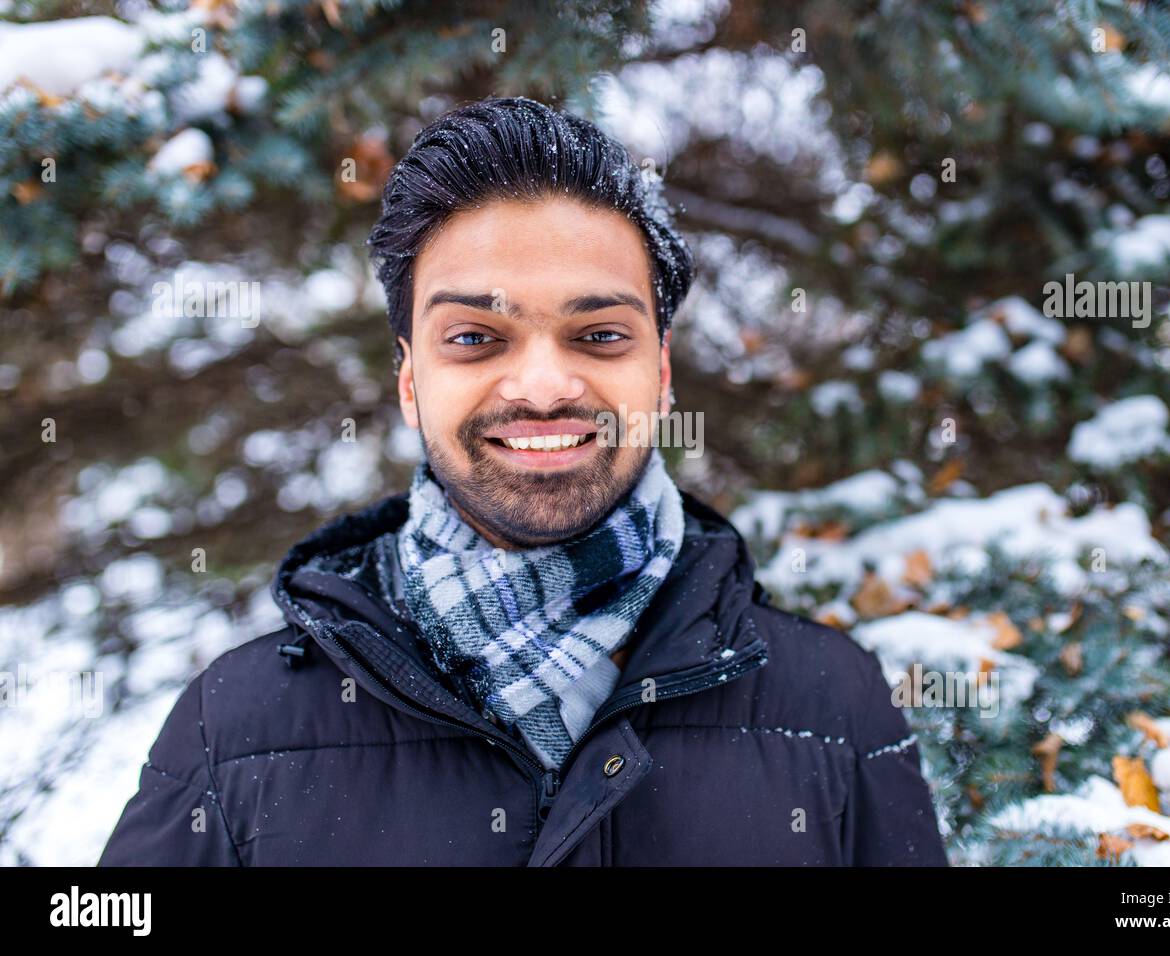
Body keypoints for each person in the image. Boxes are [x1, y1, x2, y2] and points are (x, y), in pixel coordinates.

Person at [98, 96, 948, 866]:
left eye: (599, 336)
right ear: (407, 380)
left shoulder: (835, 704)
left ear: (661, 371)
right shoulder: (233, 729)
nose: (543, 388)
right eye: (474, 338)